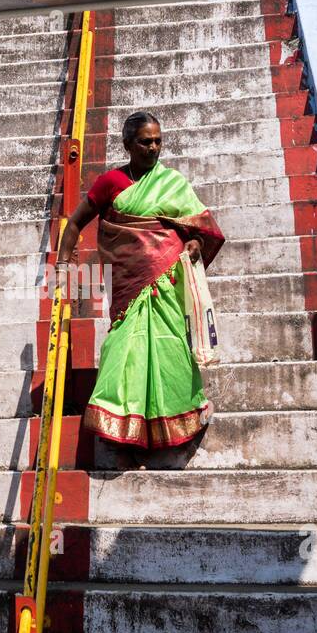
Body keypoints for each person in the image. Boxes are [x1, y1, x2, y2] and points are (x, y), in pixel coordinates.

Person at [55, 112, 225, 449]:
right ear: (128, 144)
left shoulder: (172, 181)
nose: (154, 147)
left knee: (170, 347)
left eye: (158, 140)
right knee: (124, 350)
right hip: (128, 285)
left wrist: (195, 244)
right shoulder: (111, 182)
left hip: (168, 282)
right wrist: (62, 265)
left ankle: (178, 420)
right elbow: (74, 222)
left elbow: (199, 230)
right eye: (145, 141)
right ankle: (120, 432)